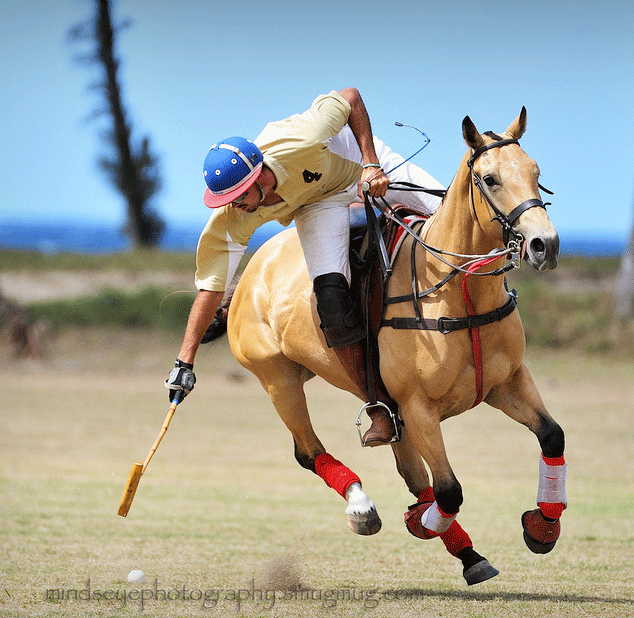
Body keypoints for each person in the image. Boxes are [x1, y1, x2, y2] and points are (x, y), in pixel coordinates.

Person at [164, 87, 444, 446]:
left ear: (258, 176)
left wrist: (372, 162)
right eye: (227, 201)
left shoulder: (302, 138)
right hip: (318, 203)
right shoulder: (232, 218)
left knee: (450, 216)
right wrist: (184, 362)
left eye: (238, 197)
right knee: (330, 299)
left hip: (359, 162)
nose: (235, 207)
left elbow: (352, 98)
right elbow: (211, 288)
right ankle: (380, 405)